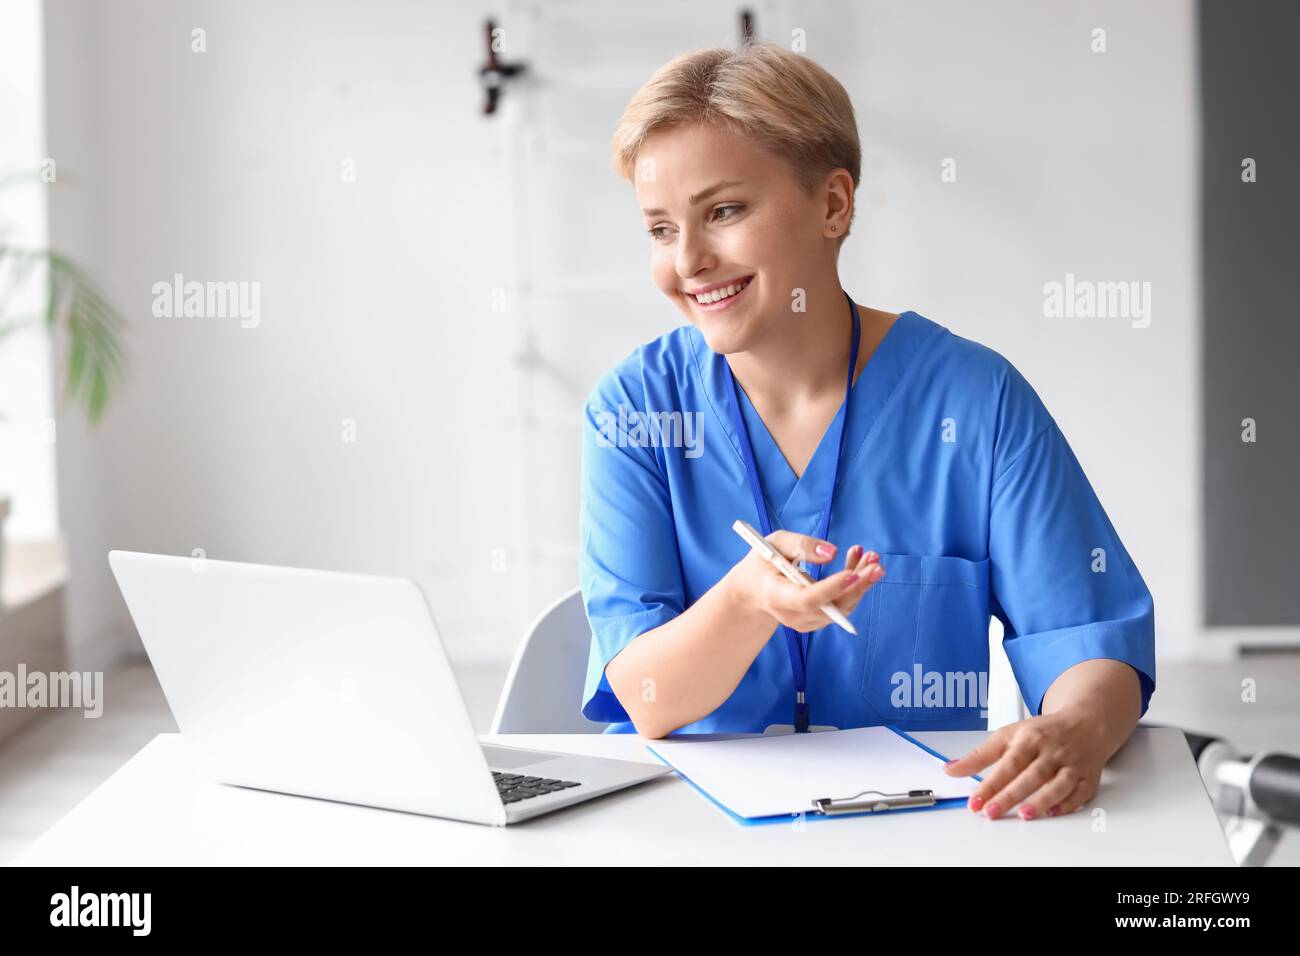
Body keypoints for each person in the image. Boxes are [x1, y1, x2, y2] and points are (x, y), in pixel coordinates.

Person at [578, 42, 1155, 822]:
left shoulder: (976, 401)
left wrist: (1075, 728)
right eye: (658, 228)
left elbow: (1088, 636)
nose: (688, 261)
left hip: (923, 831)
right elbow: (644, 697)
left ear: (833, 206)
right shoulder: (635, 412)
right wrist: (748, 605)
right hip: (694, 836)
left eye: (724, 211)